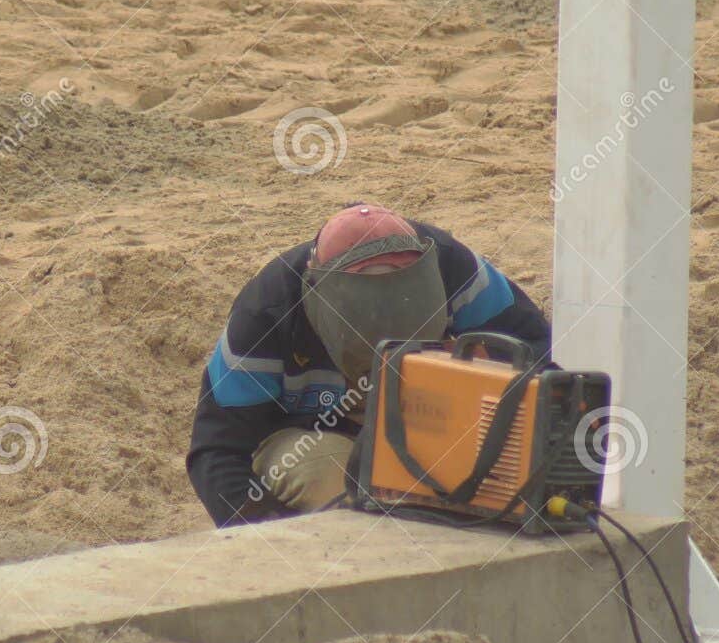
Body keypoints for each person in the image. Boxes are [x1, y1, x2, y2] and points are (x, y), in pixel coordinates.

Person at [185, 203, 551, 527]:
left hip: (431, 419)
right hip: (316, 438)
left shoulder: (456, 270)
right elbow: (219, 452)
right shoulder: (265, 316)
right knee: (326, 474)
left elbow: (541, 359)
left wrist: (481, 365)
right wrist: (276, 539)